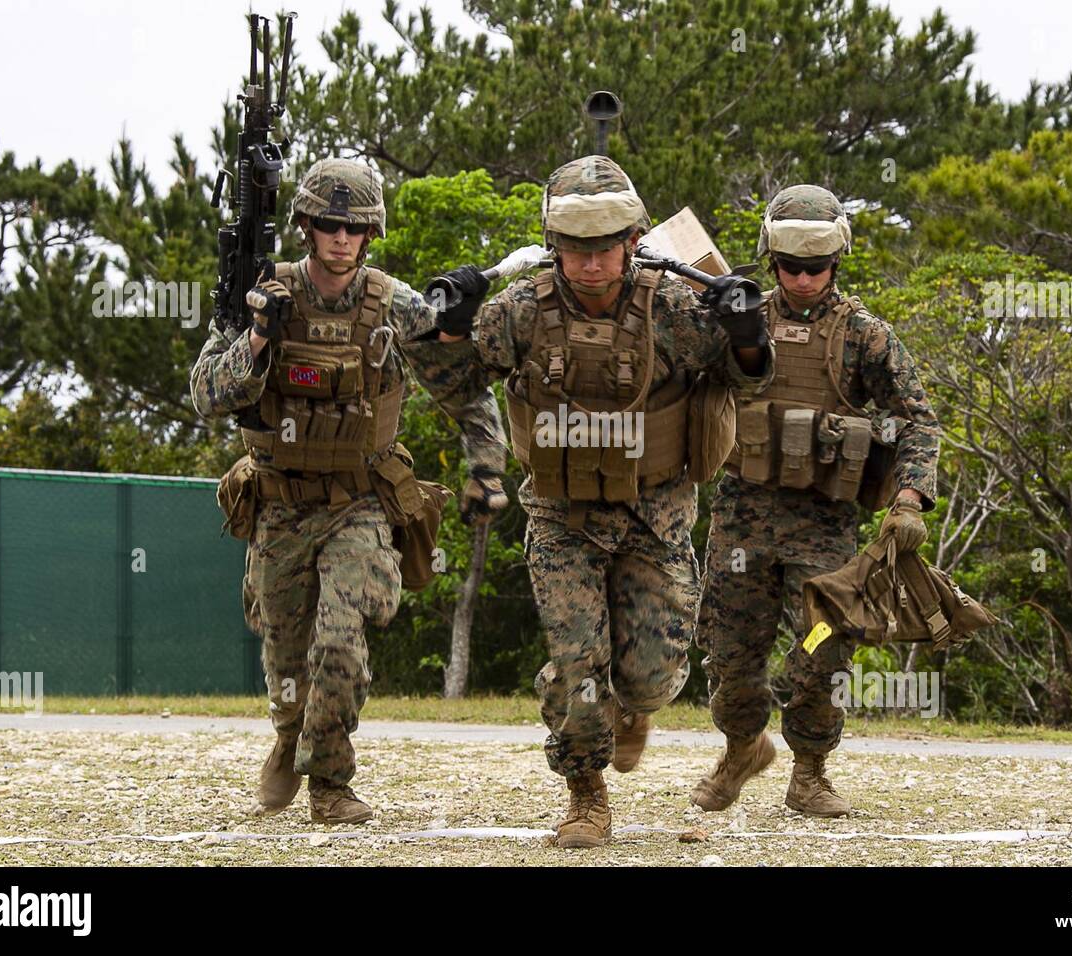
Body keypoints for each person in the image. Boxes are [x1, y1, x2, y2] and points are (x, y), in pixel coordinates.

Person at [401, 155, 774, 848]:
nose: (592, 264)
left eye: (605, 247)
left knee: (653, 677)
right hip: (560, 514)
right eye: (576, 249)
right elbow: (451, 377)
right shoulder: (522, 309)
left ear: (633, 240)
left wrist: (747, 336)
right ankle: (585, 794)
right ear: (555, 246)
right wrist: (444, 325)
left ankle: (634, 709)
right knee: (578, 667)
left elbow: (745, 379)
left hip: (656, 513)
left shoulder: (674, 304)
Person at [189, 158, 509, 825]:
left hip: (360, 502)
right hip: (280, 502)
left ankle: (330, 783)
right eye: (329, 224)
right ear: (306, 226)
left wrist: (486, 466)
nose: (341, 238)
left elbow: (463, 387)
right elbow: (208, 397)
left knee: (339, 638)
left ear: (371, 233)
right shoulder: (263, 294)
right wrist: (256, 338)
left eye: (354, 226)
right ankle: (289, 734)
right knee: (285, 658)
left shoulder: (393, 306)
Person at [690, 184, 941, 817]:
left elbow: (918, 420)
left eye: (816, 266)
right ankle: (741, 748)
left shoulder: (864, 337)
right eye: (789, 266)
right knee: (730, 651)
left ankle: (809, 771)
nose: (803, 278)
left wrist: (908, 501)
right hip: (743, 514)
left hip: (824, 521)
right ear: (770, 260)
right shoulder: (737, 318)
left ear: (837, 262)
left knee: (824, 645)